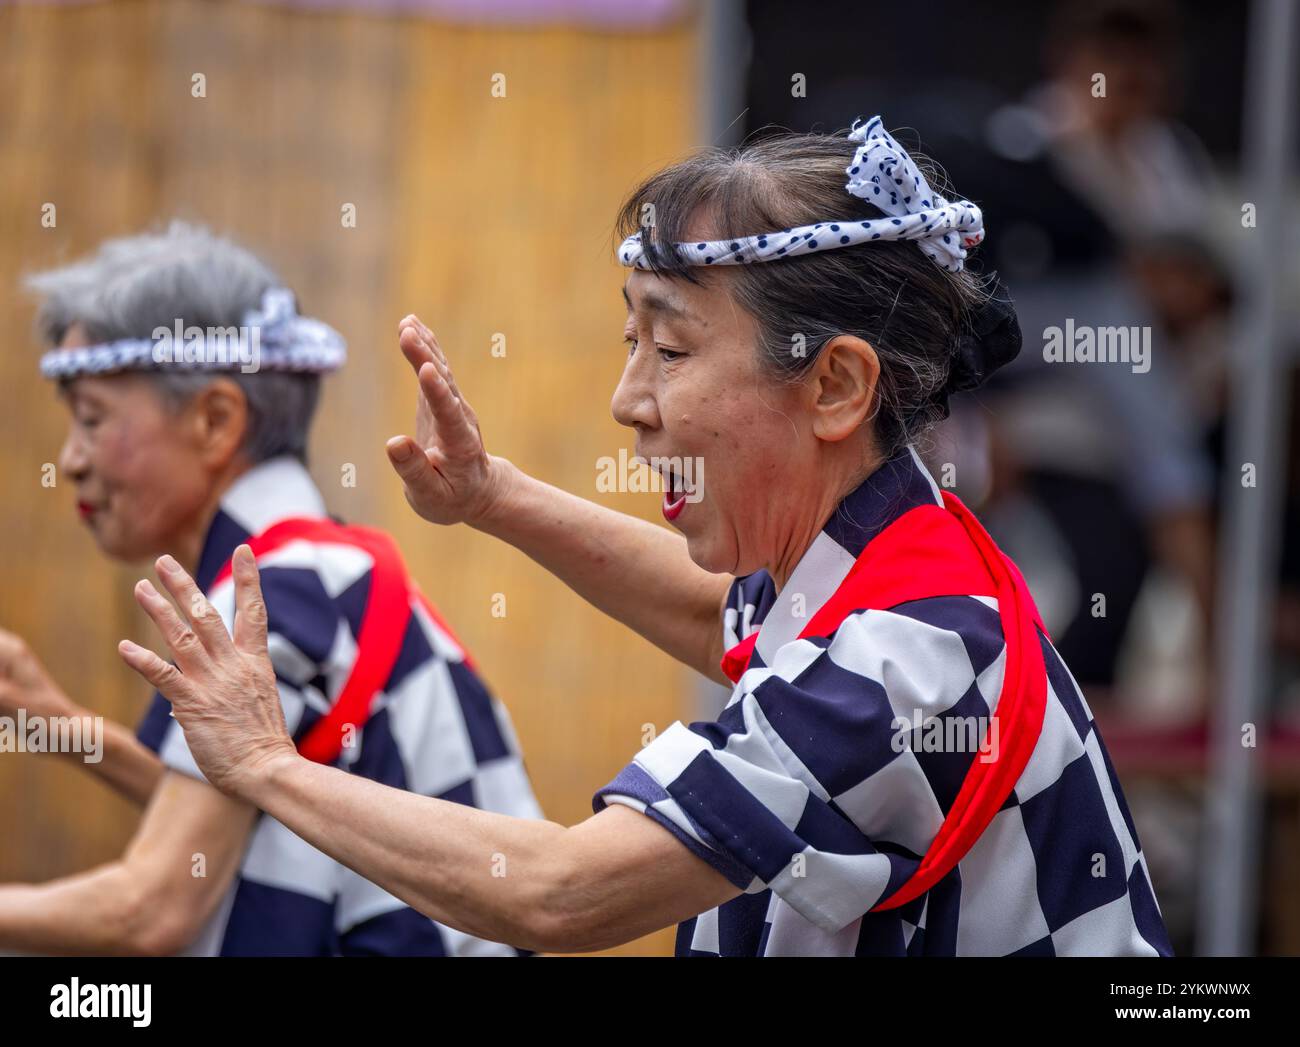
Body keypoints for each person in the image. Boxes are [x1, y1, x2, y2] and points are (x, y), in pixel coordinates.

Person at [119, 120, 1173, 956]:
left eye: (670, 346)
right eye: (632, 340)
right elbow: (720, 614)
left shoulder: (909, 653)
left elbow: (557, 894)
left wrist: (265, 762)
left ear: (836, 384)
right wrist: (492, 498)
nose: (627, 400)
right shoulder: (874, 555)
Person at [0, 222, 541, 956]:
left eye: (92, 419)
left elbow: (150, 910)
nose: (68, 460)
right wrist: (57, 723)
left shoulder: (270, 602)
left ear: (217, 420)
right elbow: (244, 799)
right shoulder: (313, 572)